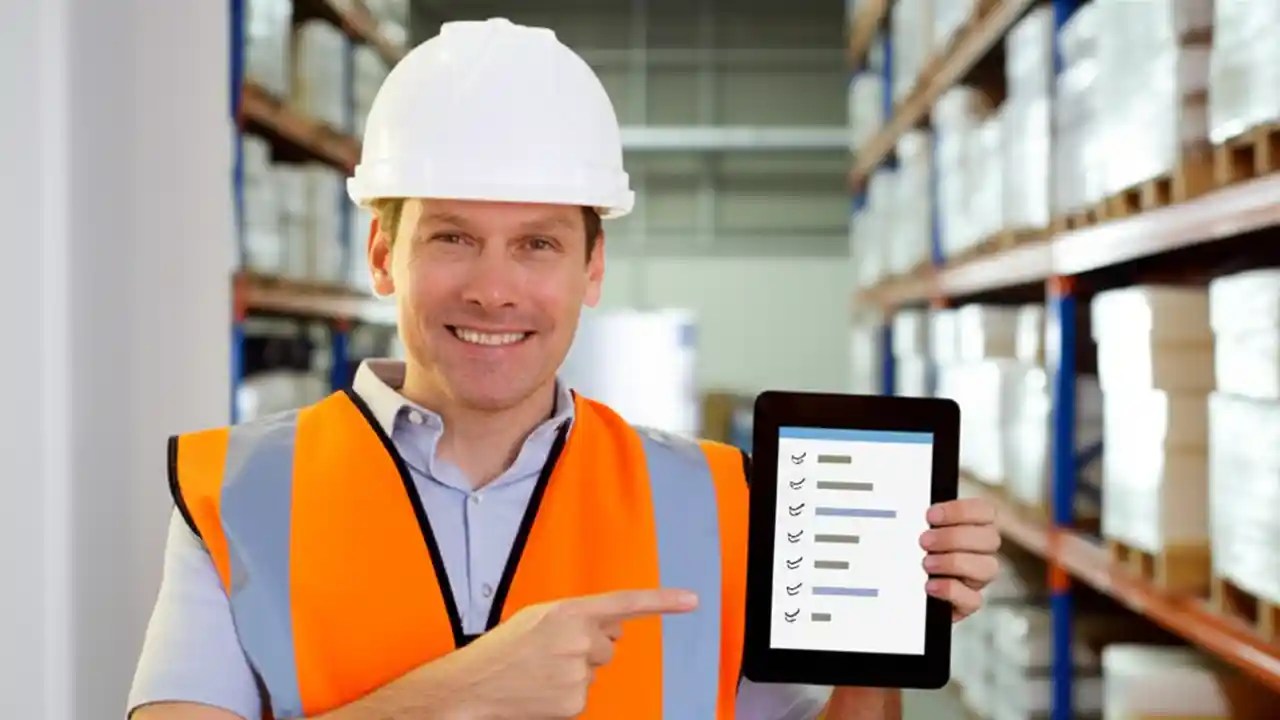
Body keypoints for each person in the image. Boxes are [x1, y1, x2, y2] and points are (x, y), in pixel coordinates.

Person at [127, 17, 1000, 720]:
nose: (494, 290)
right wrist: (462, 696)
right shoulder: (235, 495)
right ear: (383, 253)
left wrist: (884, 631)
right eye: (453, 237)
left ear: (591, 269)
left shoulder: (720, 501)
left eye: (537, 244)